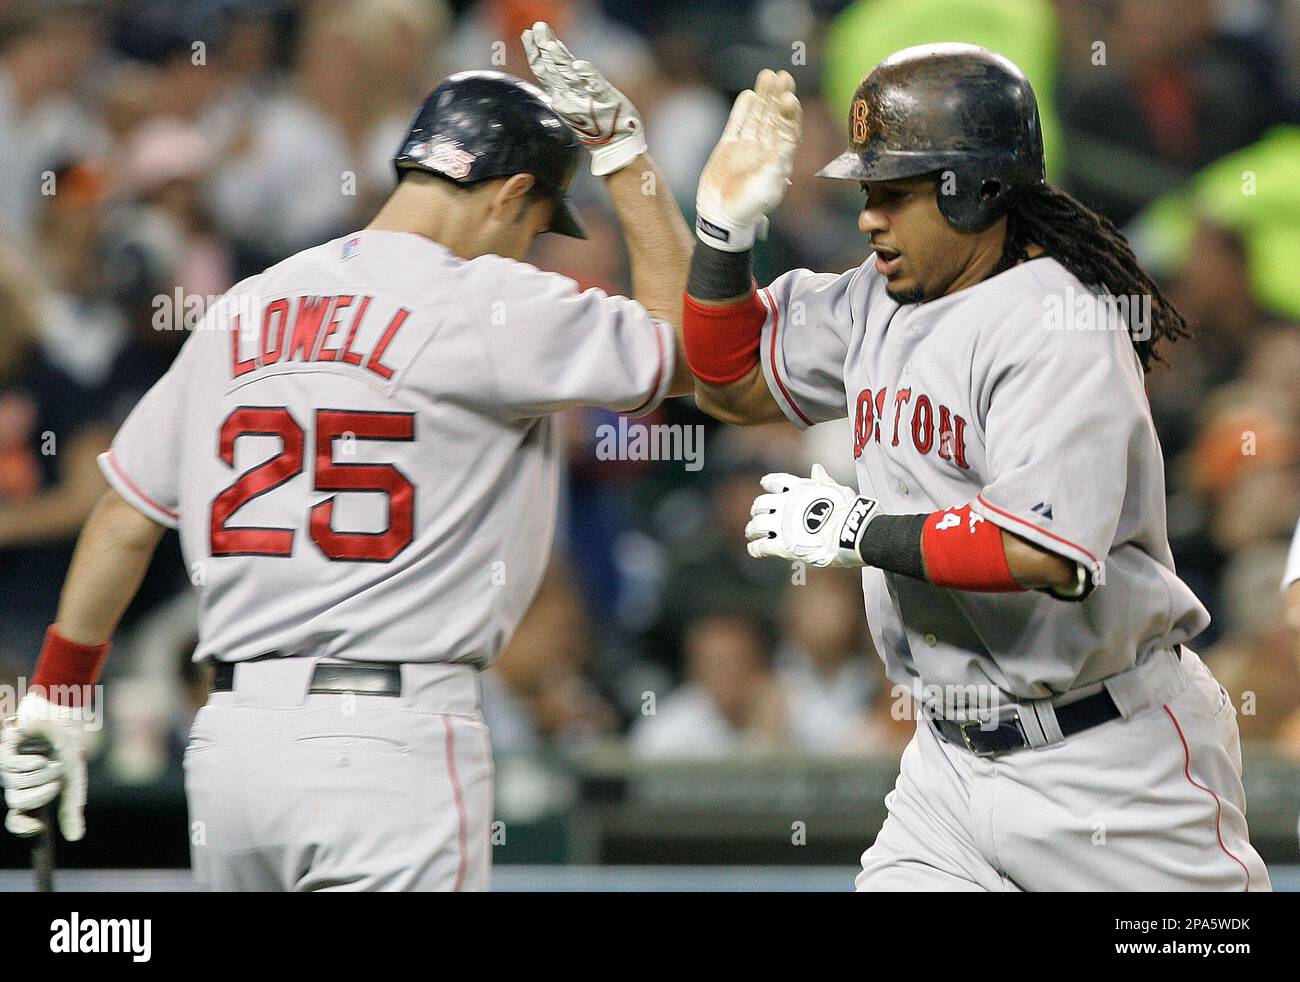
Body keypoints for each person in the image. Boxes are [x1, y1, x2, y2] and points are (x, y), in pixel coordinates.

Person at [0, 23, 693, 892]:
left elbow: (125, 515)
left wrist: (58, 697)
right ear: (510, 193)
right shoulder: (490, 301)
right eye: (535, 224)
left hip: (232, 748)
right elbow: (692, 345)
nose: (530, 244)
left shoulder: (245, 307)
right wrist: (629, 160)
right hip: (388, 745)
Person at [682, 45, 1269, 891]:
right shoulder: (874, 298)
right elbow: (729, 378)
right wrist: (724, 235)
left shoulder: (1057, 322)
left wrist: (858, 531)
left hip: (1109, 765)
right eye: (864, 193)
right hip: (946, 774)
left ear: (976, 190)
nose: (867, 218)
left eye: (894, 192)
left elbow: (1047, 555)